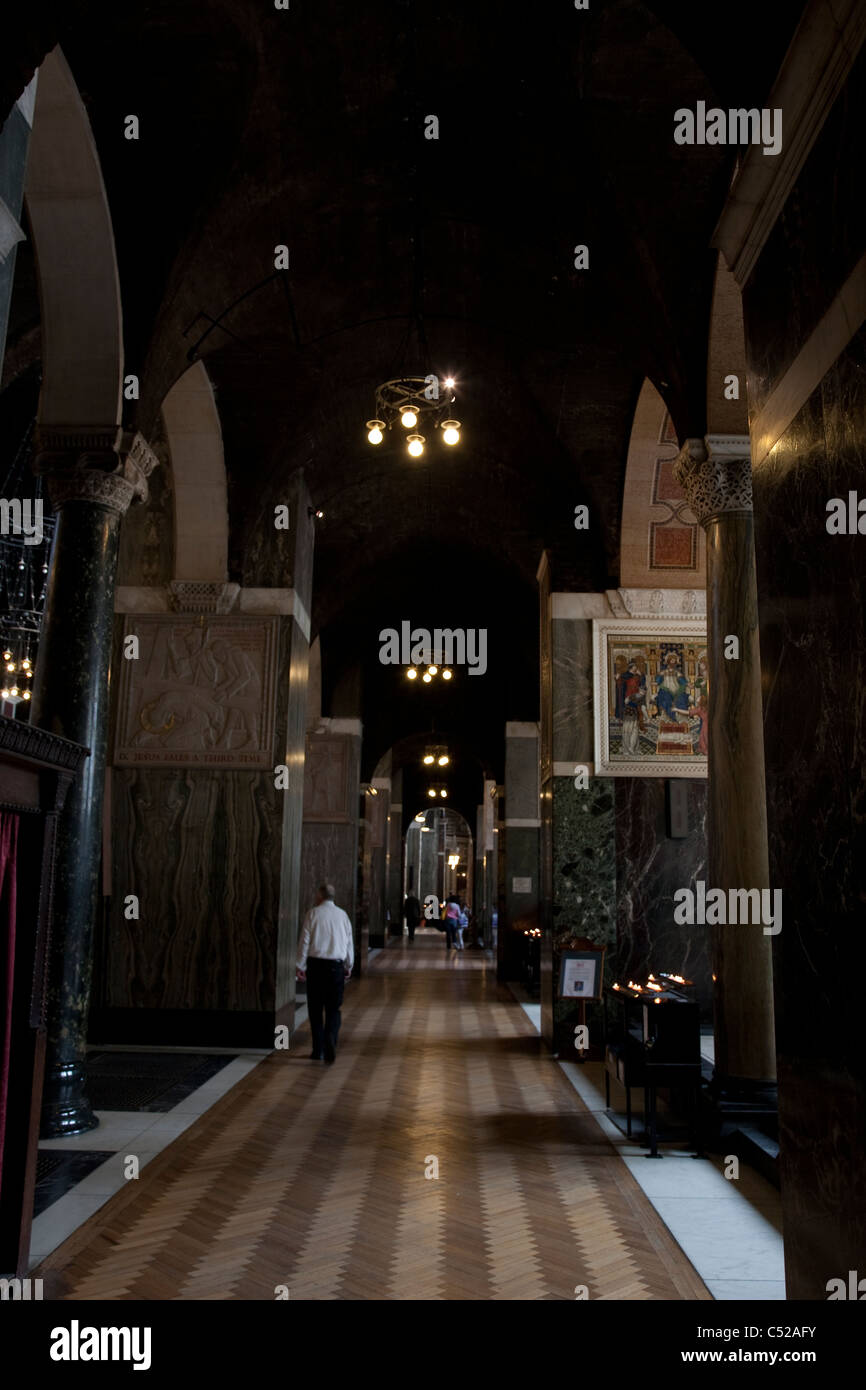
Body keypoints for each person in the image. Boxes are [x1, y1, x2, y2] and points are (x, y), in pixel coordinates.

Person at [296, 882, 354, 1063]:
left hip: (315, 967)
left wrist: (300, 965)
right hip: (335, 967)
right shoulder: (343, 915)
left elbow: (305, 941)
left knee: (315, 1009)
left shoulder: (313, 914)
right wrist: (348, 965)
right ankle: (331, 1040)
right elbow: (348, 942)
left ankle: (317, 1049)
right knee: (333, 1009)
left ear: (320, 896)